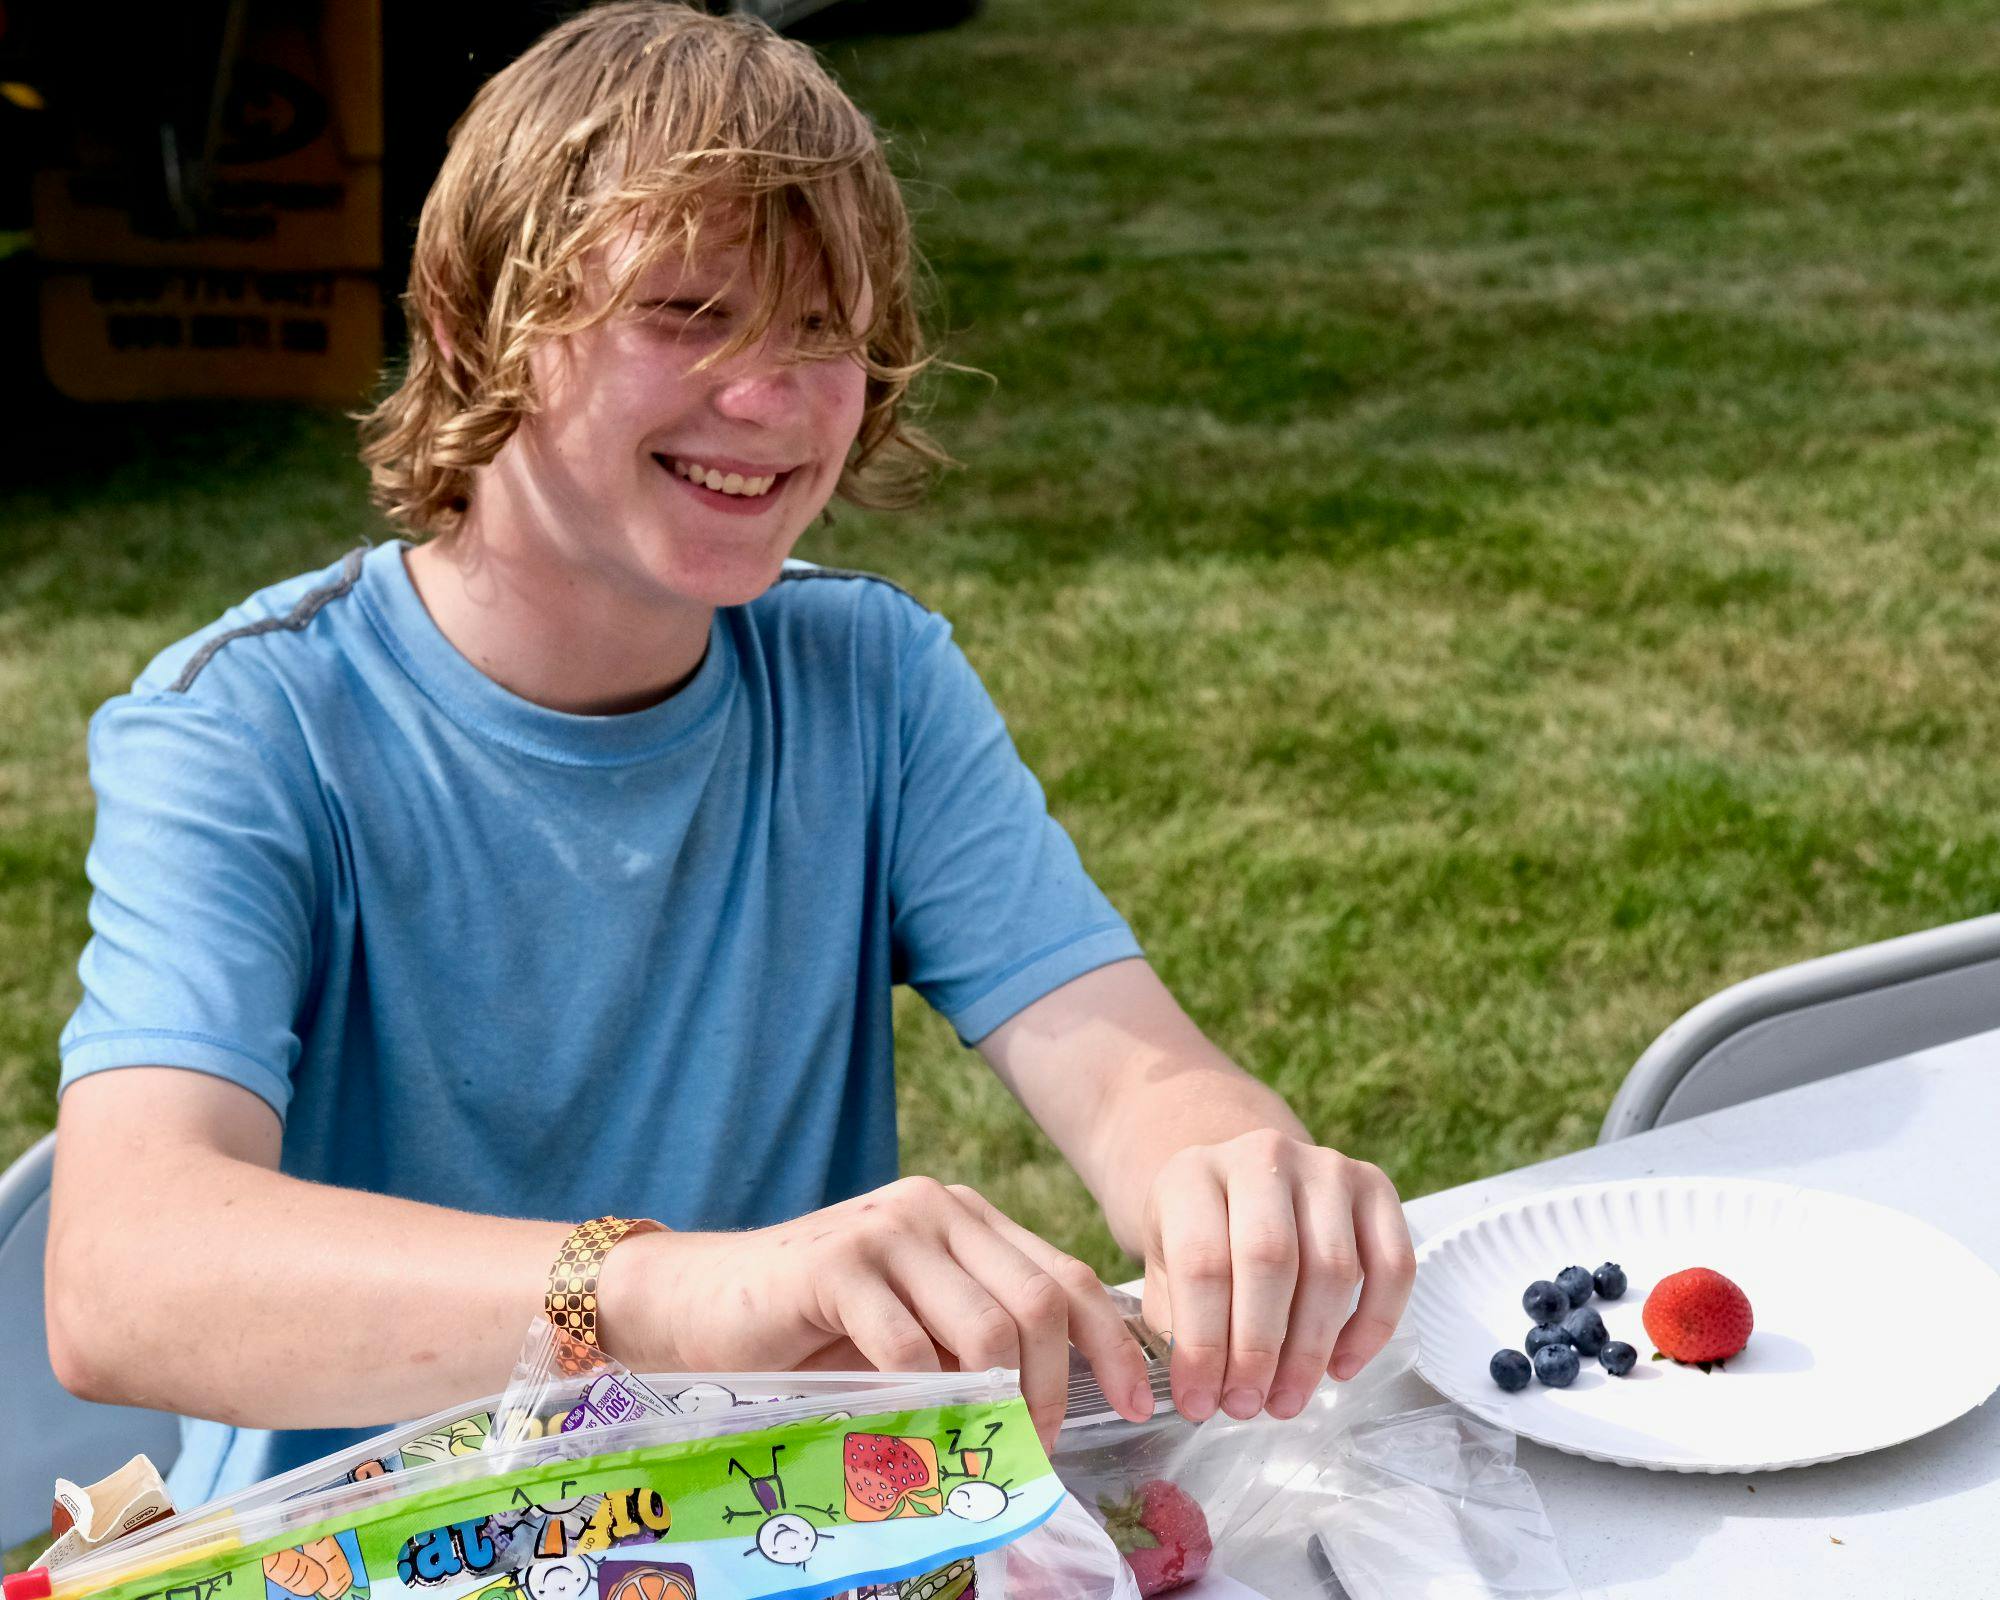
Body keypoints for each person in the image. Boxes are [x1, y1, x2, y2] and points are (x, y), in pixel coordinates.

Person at [45, 0, 1415, 1507]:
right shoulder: (247, 725)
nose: (771, 402)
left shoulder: (869, 679)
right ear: (470, 323)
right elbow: (122, 1277)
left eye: (826, 333)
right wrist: (681, 1295)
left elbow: (1133, 1075)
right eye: (688, 313)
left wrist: (1231, 1177)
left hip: (785, 1530)